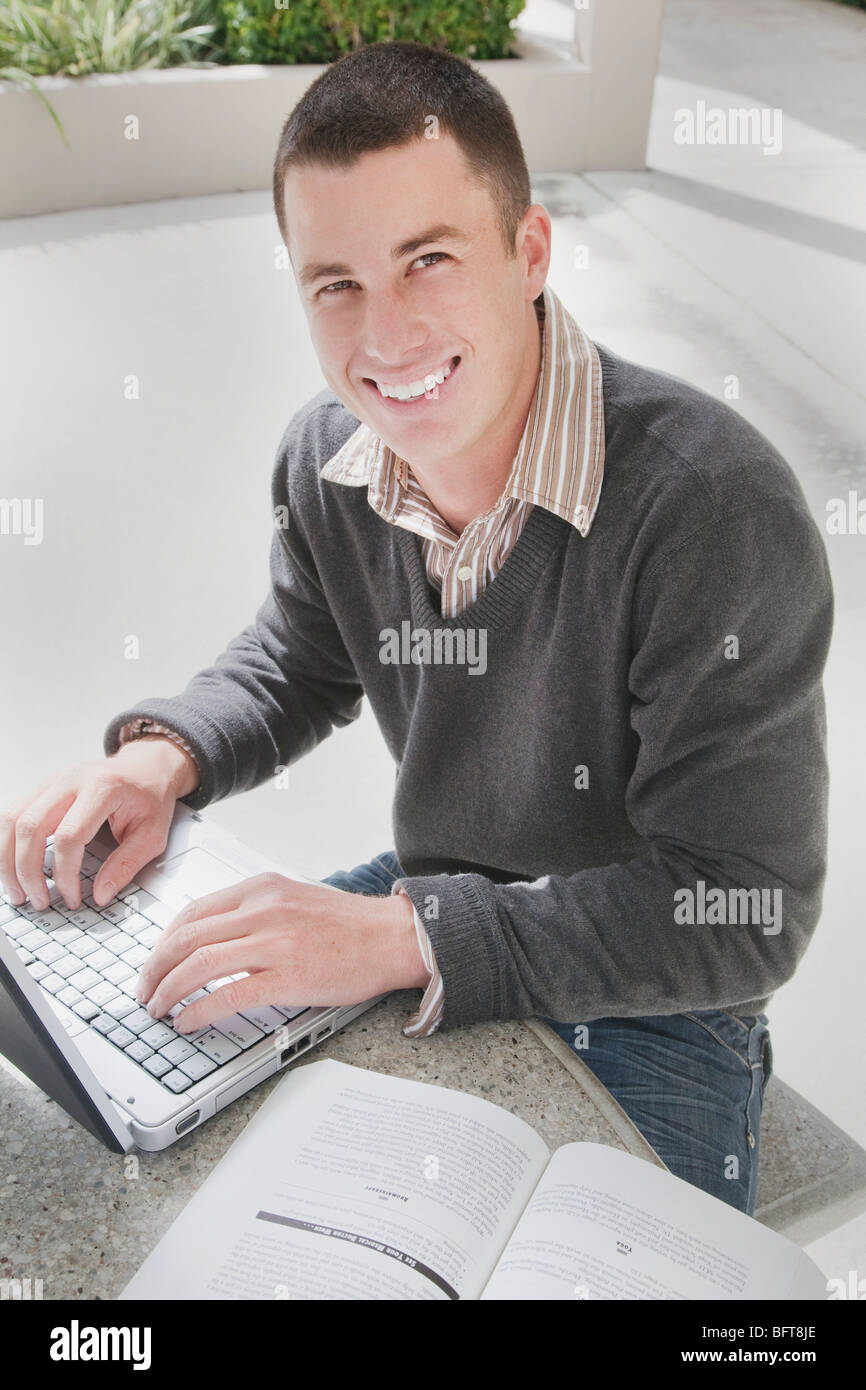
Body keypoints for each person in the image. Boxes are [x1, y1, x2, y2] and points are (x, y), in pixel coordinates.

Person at [0, 42, 832, 1215]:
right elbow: (303, 653)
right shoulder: (324, 461)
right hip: (439, 889)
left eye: (426, 261)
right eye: (333, 281)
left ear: (527, 252)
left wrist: (401, 936)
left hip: (659, 999)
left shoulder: (710, 511)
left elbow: (741, 907)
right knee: (158, 1126)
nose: (381, 340)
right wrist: (161, 756)